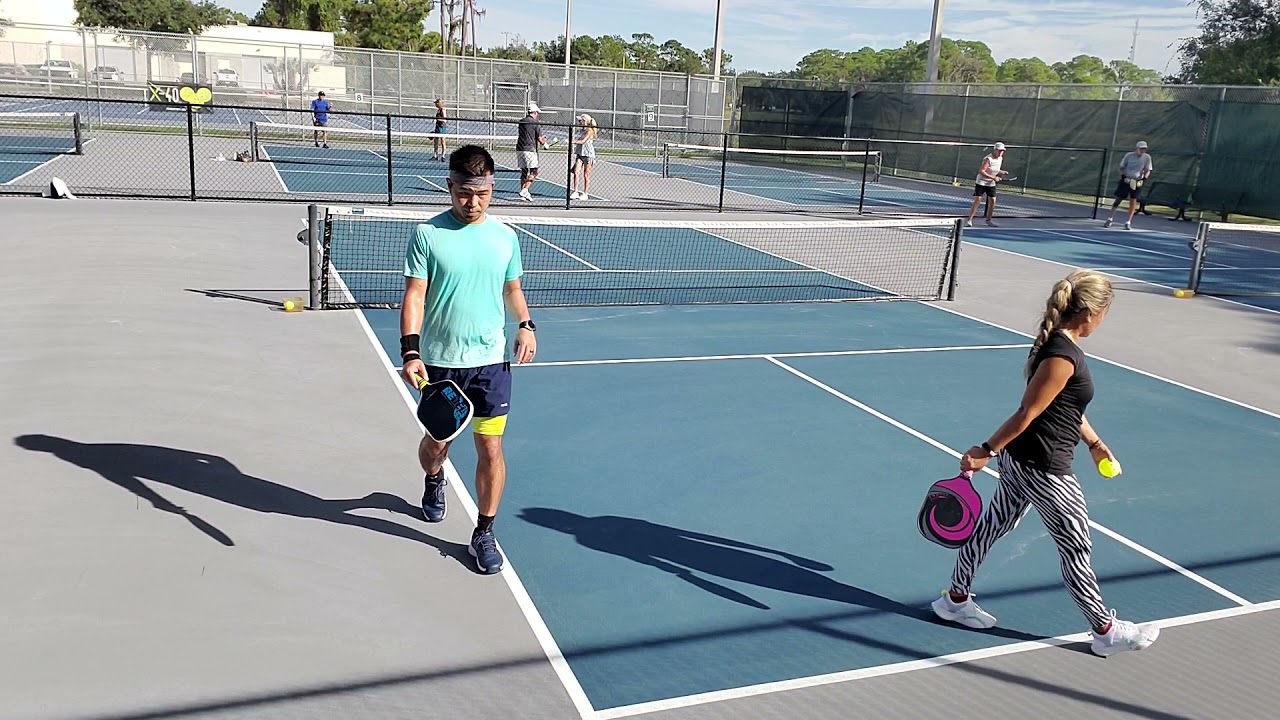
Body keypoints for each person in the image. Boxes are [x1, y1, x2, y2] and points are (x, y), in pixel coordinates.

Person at [930, 269, 1160, 658]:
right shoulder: (1061, 356)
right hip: (1046, 470)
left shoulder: (1059, 347)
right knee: (1075, 547)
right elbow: (1028, 412)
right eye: (1106, 313)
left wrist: (1095, 443)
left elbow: (1065, 408)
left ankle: (953, 600)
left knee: (989, 529)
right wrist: (987, 450)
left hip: (1024, 464)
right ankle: (1106, 631)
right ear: (1090, 312)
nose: (1104, 321)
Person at [399, 144, 538, 575]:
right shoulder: (428, 235)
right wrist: (410, 349)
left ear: (492, 188)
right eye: (463, 192)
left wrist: (526, 325)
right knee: (436, 445)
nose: (472, 202)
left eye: (481, 192)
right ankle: (435, 478)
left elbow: (511, 290)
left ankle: (484, 531)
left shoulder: (506, 237)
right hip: (441, 362)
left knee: (490, 447)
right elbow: (415, 295)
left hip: (491, 363)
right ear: (450, 187)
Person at [1104, 141, 1153, 230]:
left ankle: (1128, 222)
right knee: (1118, 200)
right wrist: (1124, 177)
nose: (1142, 151)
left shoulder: (1147, 158)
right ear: (1136, 148)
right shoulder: (1128, 156)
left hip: (1137, 182)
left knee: (1133, 202)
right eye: (1141, 149)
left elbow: (1147, 170)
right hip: (1126, 181)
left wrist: (1143, 180)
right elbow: (1120, 168)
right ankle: (1109, 219)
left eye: (1144, 149)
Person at [966, 142, 1008, 227]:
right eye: (999, 150)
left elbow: (995, 169)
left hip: (990, 183)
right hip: (982, 181)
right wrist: (993, 177)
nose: (1001, 152)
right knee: (978, 199)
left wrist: (1001, 172)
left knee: (993, 200)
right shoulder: (988, 159)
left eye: (1002, 151)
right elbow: (982, 171)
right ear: (995, 150)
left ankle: (989, 220)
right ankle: (969, 220)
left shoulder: (1000, 158)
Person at [515, 102, 548, 202]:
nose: (537, 115)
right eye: (537, 113)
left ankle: (523, 193)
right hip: (529, 149)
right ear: (534, 113)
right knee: (535, 170)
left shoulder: (521, 122)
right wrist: (545, 142)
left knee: (524, 171)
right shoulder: (535, 123)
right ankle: (525, 189)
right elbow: (540, 139)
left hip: (520, 148)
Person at [570, 113, 597, 201]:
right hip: (580, 154)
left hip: (588, 155)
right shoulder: (582, 130)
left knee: (586, 175)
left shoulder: (590, 131)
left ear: (584, 121)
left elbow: (582, 141)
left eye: (580, 120)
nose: (579, 122)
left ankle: (585, 193)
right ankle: (575, 191)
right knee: (576, 172)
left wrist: (572, 141)